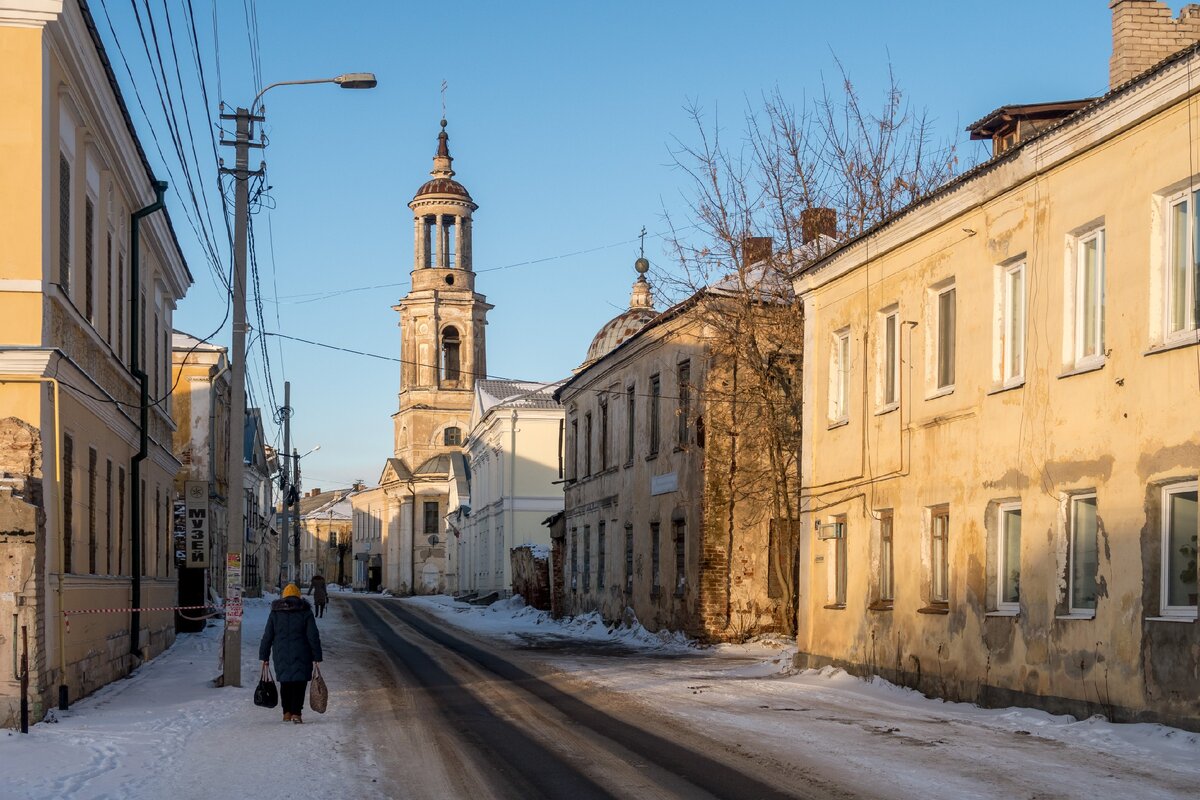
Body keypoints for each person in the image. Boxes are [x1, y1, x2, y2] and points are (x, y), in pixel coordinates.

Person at [259, 583, 322, 723]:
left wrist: (264, 656)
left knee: (285, 682)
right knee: (299, 683)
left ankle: (286, 712)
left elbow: (267, 635)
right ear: (299, 596)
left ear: (284, 597)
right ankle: (296, 713)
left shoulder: (275, 612)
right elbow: (313, 635)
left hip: (280, 654)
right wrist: (317, 655)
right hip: (302, 653)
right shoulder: (305, 612)